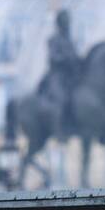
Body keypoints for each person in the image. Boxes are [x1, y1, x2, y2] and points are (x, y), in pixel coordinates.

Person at [37, 10, 83, 138]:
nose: (67, 24)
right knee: (60, 98)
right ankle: (58, 129)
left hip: (70, 77)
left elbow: (75, 57)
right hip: (57, 76)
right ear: (60, 23)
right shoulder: (54, 40)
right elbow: (53, 58)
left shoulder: (69, 41)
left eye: (68, 22)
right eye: (65, 22)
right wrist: (66, 60)